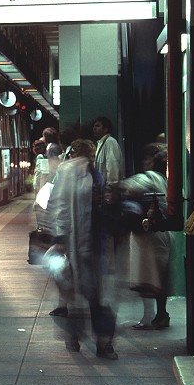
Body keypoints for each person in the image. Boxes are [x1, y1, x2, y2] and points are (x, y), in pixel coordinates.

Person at [45, 138, 118, 359]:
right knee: (79, 293)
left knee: (92, 294)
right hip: (75, 242)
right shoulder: (69, 173)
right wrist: (60, 238)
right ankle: (86, 339)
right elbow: (60, 204)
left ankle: (96, 341)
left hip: (95, 241)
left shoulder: (96, 175)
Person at [118, 143, 171, 329]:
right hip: (163, 234)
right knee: (160, 278)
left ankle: (151, 316)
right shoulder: (164, 179)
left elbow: (128, 185)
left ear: (151, 161)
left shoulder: (149, 177)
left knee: (149, 277)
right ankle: (161, 315)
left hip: (150, 235)